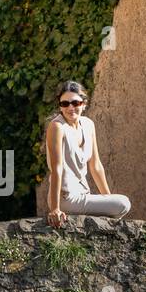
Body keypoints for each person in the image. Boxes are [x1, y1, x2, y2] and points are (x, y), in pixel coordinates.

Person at [44, 80, 131, 228]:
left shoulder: (88, 124)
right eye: (64, 104)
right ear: (60, 106)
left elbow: (96, 165)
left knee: (118, 202)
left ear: (84, 104)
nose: (70, 107)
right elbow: (57, 168)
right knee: (123, 203)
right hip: (66, 198)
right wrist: (55, 209)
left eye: (75, 103)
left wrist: (107, 198)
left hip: (84, 194)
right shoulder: (57, 127)